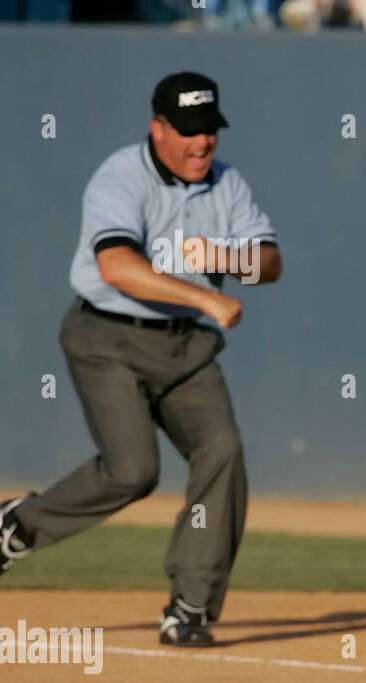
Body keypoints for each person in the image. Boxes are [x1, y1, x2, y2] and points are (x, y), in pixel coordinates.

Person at [0, 72, 281, 648]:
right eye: (189, 132)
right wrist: (206, 292)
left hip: (185, 348)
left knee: (222, 449)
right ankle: (17, 527)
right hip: (107, 338)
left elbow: (270, 262)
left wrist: (232, 258)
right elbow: (115, 268)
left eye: (211, 132)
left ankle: (191, 607)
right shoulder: (120, 176)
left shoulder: (226, 184)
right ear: (158, 129)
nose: (202, 144)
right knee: (132, 470)